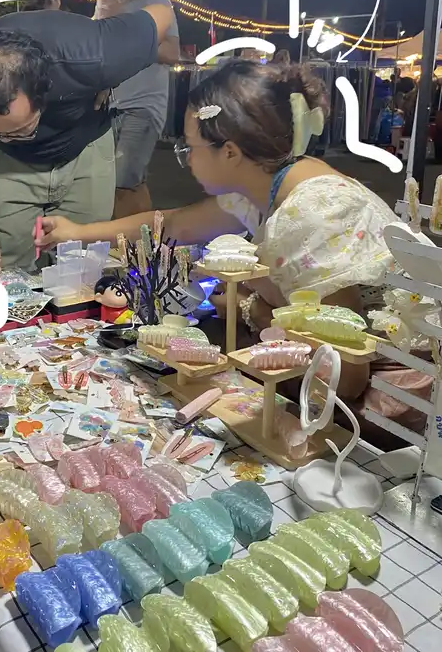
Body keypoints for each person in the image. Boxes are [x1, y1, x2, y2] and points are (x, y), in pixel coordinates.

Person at [37, 58, 432, 438]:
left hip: (395, 393)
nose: (187, 160)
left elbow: (345, 374)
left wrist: (252, 309)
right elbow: (173, 224)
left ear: (229, 151)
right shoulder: (269, 182)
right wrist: (77, 231)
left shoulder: (312, 212)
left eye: (190, 147)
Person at [0, 2, 175, 275]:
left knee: (82, 269)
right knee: (4, 270)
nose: (8, 139)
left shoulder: (93, 54)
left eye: (20, 130)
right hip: (4, 164)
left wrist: (109, 78)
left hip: (85, 146)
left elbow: (162, 13)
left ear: (46, 92)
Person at [94, 0, 180, 218]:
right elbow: (99, 49)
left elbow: (172, 53)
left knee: (123, 179)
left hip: (144, 105)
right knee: (125, 181)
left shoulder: (157, 3)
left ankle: (128, 239)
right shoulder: (103, 2)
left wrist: (124, 24)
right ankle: (147, 238)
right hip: (110, 106)